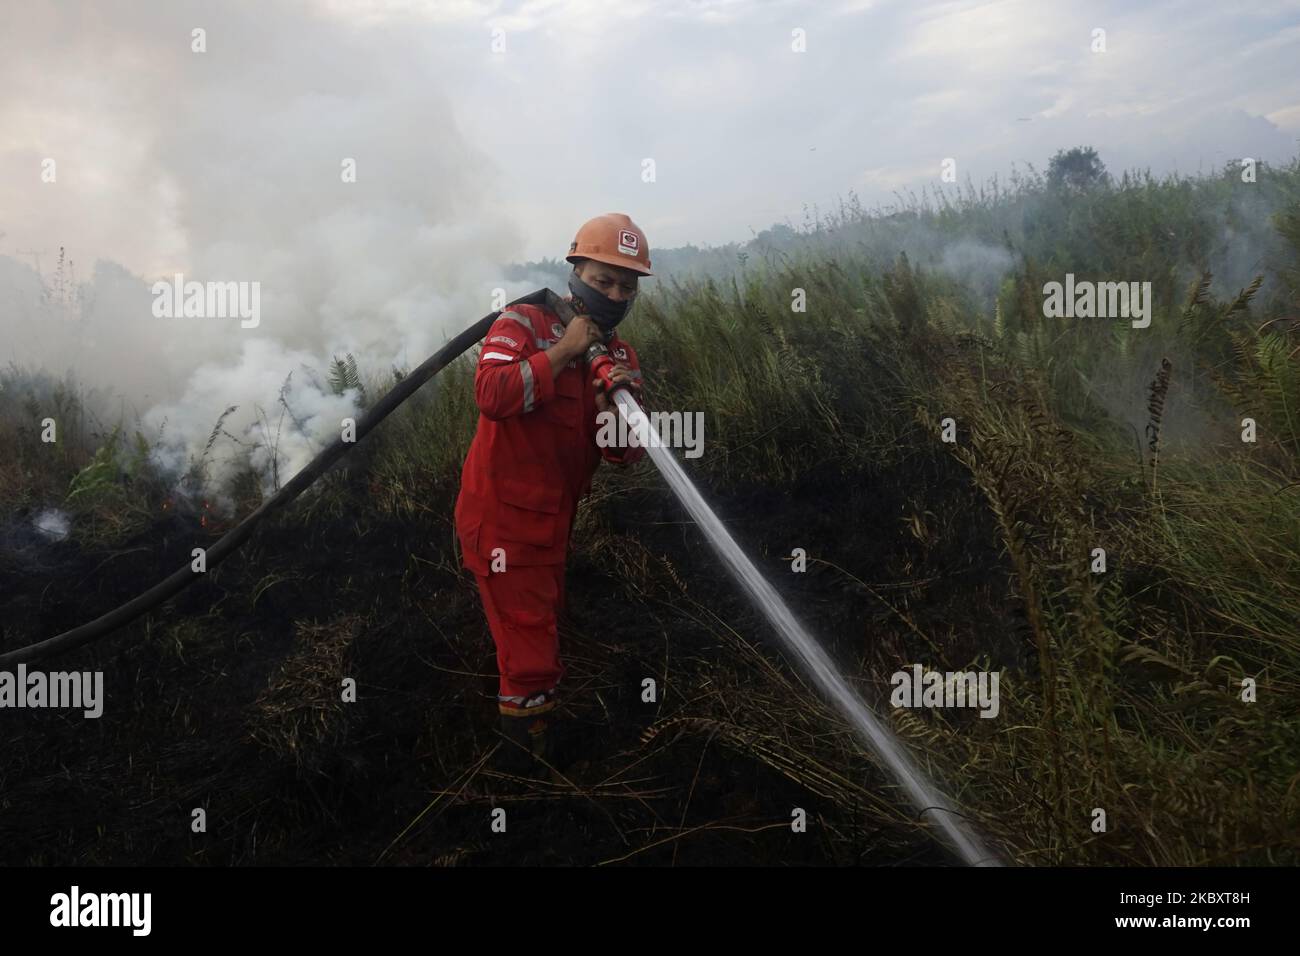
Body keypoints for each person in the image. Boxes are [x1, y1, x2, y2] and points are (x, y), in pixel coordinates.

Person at [454, 212, 652, 776]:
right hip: (502, 523)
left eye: (626, 286)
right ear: (575, 270)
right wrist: (564, 351)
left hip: (550, 524)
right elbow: (491, 394)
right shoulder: (521, 323)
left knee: (533, 621)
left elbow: (623, 456)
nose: (613, 294)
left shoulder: (620, 356)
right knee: (532, 656)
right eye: (603, 279)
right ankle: (528, 779)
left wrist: (617, 408)